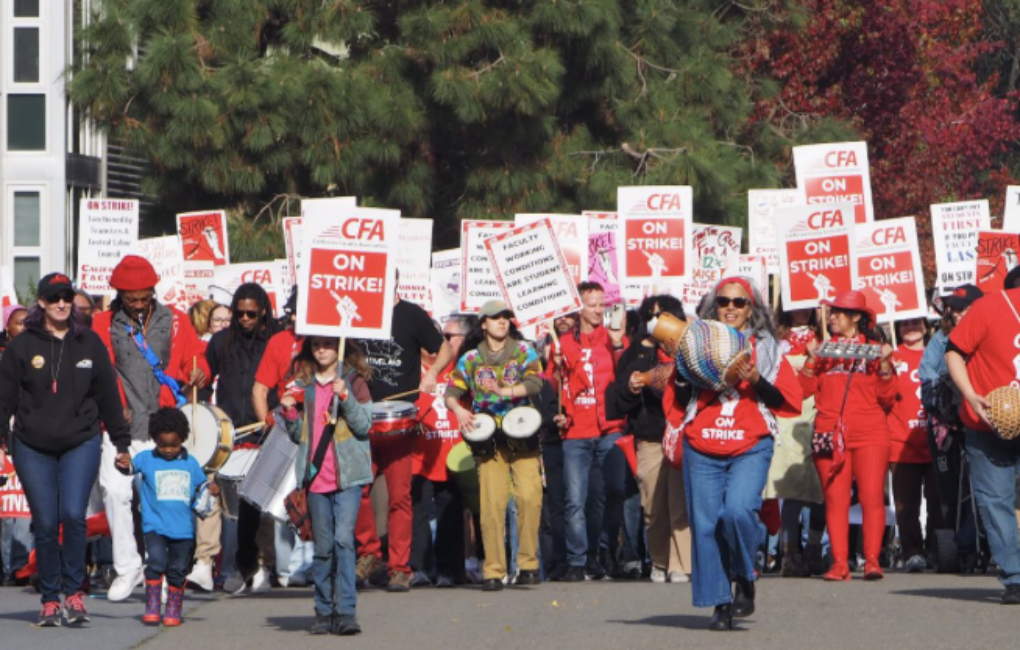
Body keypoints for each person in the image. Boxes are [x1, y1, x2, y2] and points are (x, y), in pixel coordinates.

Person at [0, 273, 130, 626]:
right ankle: (49, 599)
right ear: (40, 302)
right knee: (44, 521)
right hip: (32, 444)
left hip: (81, 440)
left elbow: (108, 396)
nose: (61, 303)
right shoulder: (20, 347)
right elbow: (5, 398)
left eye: (66, 296)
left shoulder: (89, 343)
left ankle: (74, 593)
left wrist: (121, 442)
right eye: (54, 297)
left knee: (73, 515)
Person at [677, 278, 801, 631]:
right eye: (723, 301)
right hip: (701, 443)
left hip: (750, 443)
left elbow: (784, 401)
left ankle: (745, 575)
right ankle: (721, 604)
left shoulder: (768, 348)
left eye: (739, 302)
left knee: (736, 512)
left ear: (752, 309)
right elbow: (678, 393)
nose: (730, 307)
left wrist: (757, 379)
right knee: (704, 525)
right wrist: (678, 371)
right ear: (713, 306)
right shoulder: (695, 340)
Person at [93, 255, 210, 602]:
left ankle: (157, 573)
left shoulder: (175, 321)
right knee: (115, 491)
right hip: (121, 428)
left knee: (163, 499)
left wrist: (199, 370)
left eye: (145, 298)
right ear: (119, 295)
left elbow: (197, 357)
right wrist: (114, 408)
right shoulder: (101, 323)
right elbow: (97, 372)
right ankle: (127, 568)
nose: (140, 305)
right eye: (132, 300)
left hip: (164, 427)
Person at [355, 286, 454, 592]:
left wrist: (432, 372)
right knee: (358, 490)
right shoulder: (356, 311)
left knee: (400, 497)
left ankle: (399, 567)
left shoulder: (411, 314)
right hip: (361, 417)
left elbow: (445, 348)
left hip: (400, 420)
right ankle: (370, 553)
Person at [445, 300, 545, 591]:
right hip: (488, 436)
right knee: (491, 503)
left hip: (522, 431)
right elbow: (452, 392)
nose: (502, 322)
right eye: (495, 318)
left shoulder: (525, 350)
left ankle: (527, 564)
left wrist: (505, 390)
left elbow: (536, 383)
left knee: (529, 496)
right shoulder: (471, 359)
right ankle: (494, 569)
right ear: (484, 324)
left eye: (506, 317)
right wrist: (459, 410)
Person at [277, 336, 374, 634]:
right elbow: (297, 435)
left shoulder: (354, 381)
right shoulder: (302, 383)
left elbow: (364, 426)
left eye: (329, 344)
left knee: (344, 540)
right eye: (317, 344)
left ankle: (345, 611)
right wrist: (290, 412)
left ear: (339, 347)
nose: (322, 349)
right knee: (323, 547)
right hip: (316, 476)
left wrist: (345, 397)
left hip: (349, 475)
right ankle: (322, 611)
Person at [801, 290, 896, 582]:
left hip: (870, 431)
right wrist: (808, 360)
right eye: (831, 312)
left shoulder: (875, 349)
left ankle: (871, 561)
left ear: (856, 317)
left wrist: (883, 367)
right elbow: (802, 391)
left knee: (871, 498)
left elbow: (888, 398)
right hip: (829, 430)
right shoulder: (821, 348)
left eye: (840, 312)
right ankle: (839, 563)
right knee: (835, 500)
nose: (832, 317)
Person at [945, 284, 1020, 604]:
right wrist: (969, 395)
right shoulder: (990, 307)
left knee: (998, 501)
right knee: (995, 499)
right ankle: (1015, 577)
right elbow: (953, 350)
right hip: (987, 420)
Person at [611, 295, 692, 584]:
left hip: (683, 434)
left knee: (680, 503)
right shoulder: (637, 353)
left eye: (663, 315)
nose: (657, 322)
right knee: (653, 503)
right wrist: (632, 385)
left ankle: (681, 564)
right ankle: (658, 560)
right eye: (651, 316)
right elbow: (617, 399)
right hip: (651, 436)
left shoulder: (690, 347)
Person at [206, 284, 281, 594]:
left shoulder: (274, 340)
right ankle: (237, 565)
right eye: (240, 314)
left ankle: (264, 566)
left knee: (262, 507)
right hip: (231, 433)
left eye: (253, 313)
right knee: (231, 508)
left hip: (267, 431)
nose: (246, 319)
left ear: (263, 310)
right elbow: (202, 376)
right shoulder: (221, 341)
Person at [115, 408, 216, 626]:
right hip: (155, 526)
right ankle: (152, 604)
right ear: (154, 439)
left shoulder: (190, 463)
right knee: (156, 562)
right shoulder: (146, 458)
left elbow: (203, 484)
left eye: (174, 444)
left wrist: (212, 488)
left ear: (183, 439)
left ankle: (173, 607)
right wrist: (122, 462)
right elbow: (128, 468)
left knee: (178, 569)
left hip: (183, 529)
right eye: (163, 445)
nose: (168, 450)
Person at [558, 282, 628, 581]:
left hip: (610, 428)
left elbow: (626, 375)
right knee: (576, 498)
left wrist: (617, 344)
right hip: (576, 430)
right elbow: (553, 384)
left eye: (602, 304)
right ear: (579, 308)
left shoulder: (614, 337)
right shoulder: (562, 342)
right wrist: (556, 414)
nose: (599, 310)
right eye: (593, 304)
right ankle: (577, 559)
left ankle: (603, 549)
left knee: (611, 492)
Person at [919, 284, 983, 571]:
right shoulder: (940, 339)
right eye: (953, 308)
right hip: (947, 424)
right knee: (950, 488)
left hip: (983, 420)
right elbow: (927, 376)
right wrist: (939, 402)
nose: (957, 314)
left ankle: (978, 539)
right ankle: (958, 542)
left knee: (983, 485)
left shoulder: (989, 333)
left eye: (963, 308)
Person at [409, 317, 473, 587]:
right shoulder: (410, 373)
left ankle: (450, 570)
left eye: (443, 339)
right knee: (418, 514)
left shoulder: (458, 371)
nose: (437, 345)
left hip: (452, 454)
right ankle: (420, 568)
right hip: (419, 456)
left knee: (451, 513)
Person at [766, 307, 827, 577]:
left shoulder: (825, 333)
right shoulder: (775, 339)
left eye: (808, 306)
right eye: (796, 305)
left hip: (821, 413)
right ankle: (791, 553)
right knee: (793, 490)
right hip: (788, 416)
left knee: (822, 487)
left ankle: (814, 547)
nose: (802, 311)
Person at [888, 317, 940, 572]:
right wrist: (886, 369)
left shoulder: (938, 353)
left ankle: (936, 549)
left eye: (915, 323)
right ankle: (913, 552)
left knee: (938, 501)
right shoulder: (892, 357)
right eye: (904, 324)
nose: (910, 328)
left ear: (926, 326)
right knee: (906, 504)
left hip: (935, 441)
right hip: (901, 441)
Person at [1, 304, 32, 586]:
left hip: (26, 436)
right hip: (4, 438)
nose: (23, 327)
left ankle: (21, 566)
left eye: (27, 323)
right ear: (6, 328)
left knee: (21, 507)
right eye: (18, 323)